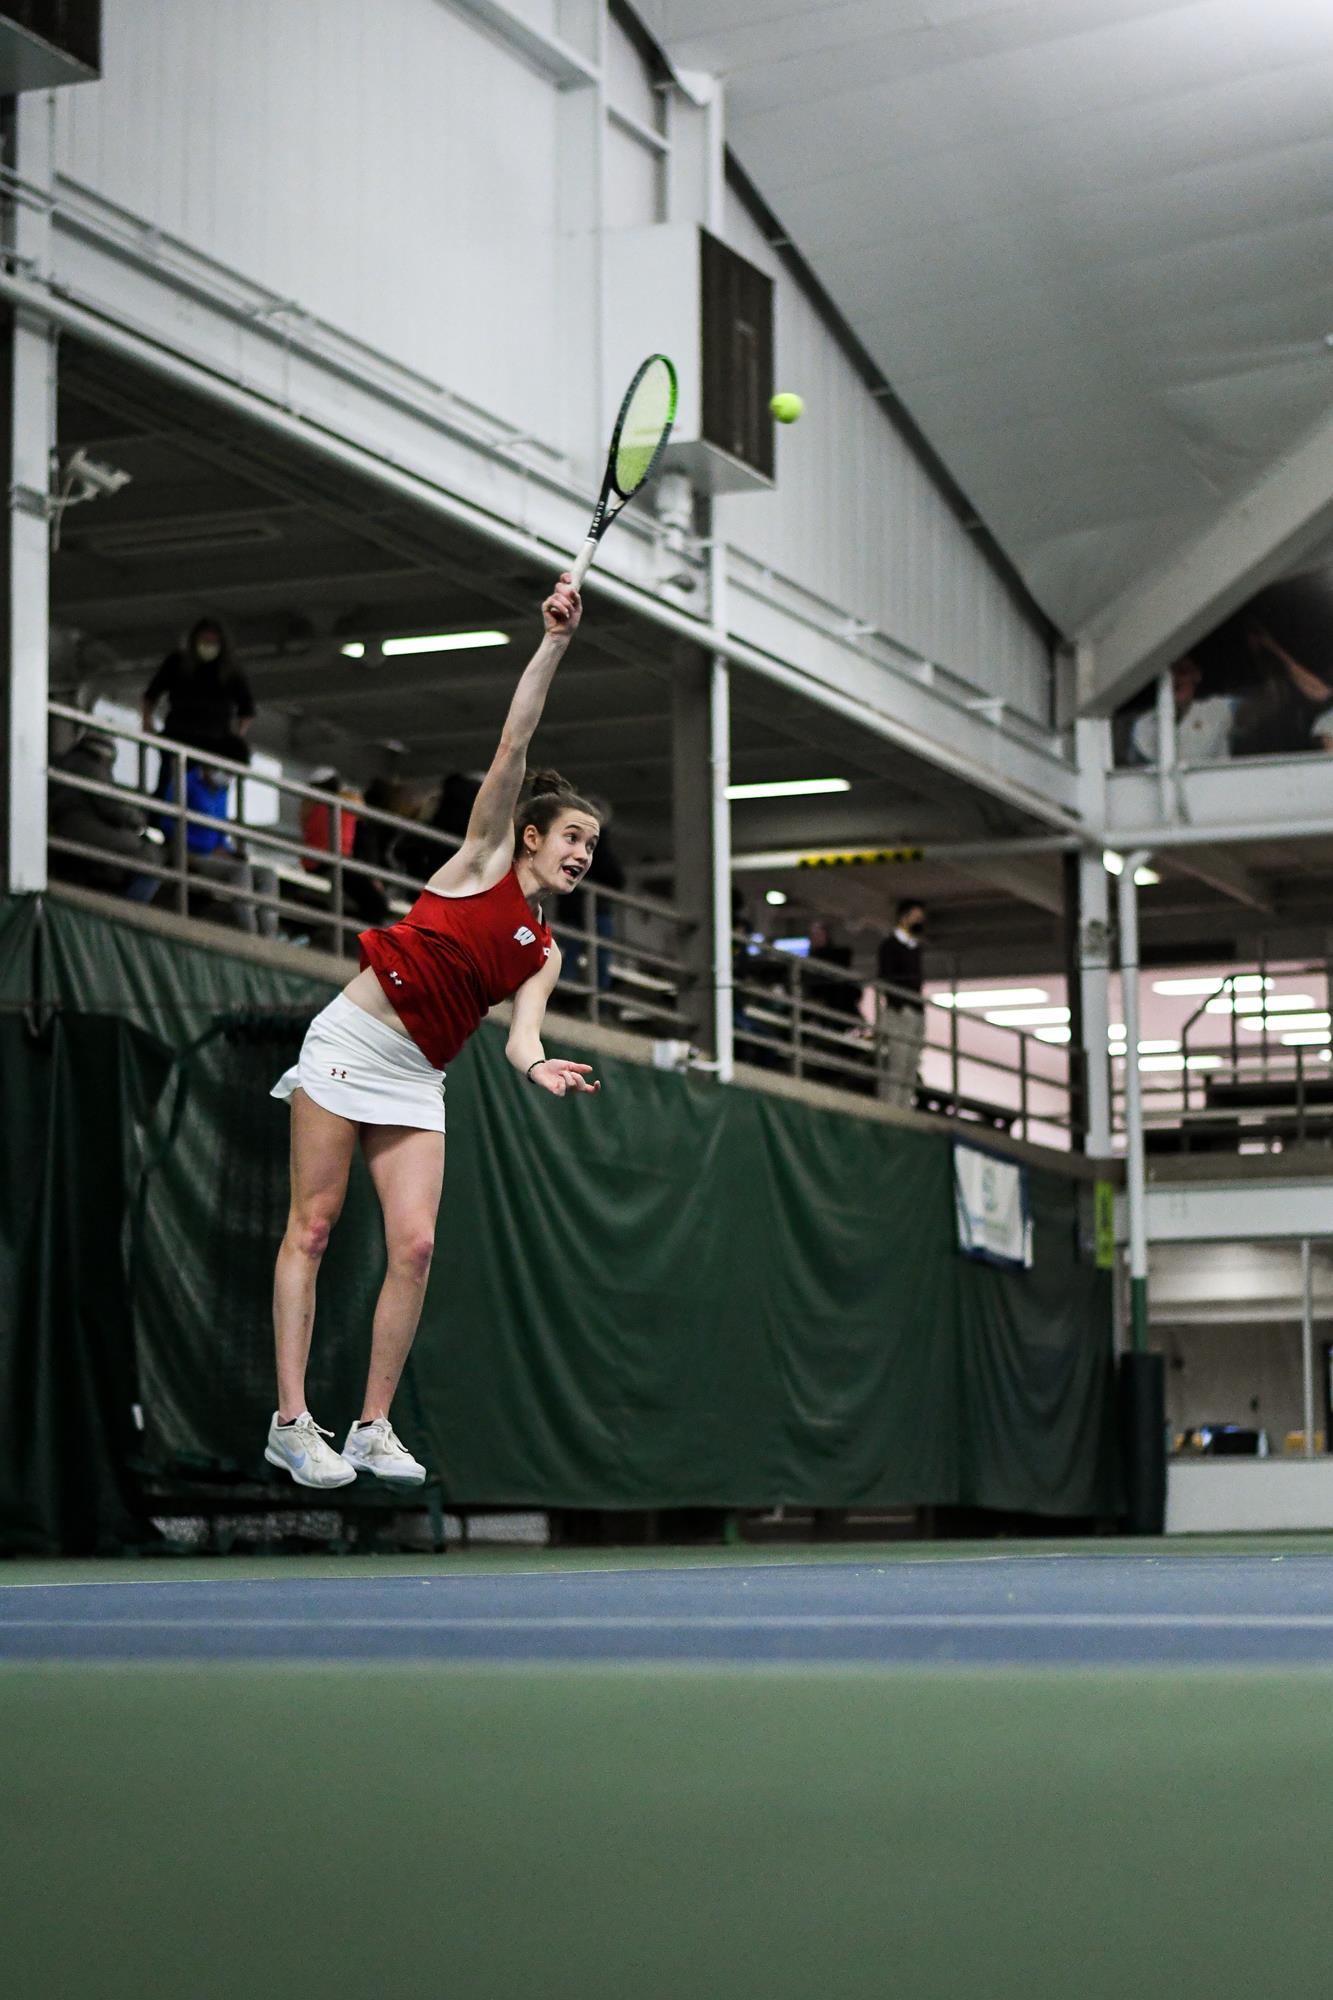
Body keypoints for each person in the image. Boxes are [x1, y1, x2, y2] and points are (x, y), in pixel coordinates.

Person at [264, 573, 598, 1490]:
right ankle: (292, 1421)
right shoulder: (482, 859)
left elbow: (519, 1039)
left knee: (414, 1246)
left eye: (591, 846)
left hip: (416, 1078)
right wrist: (554, 643)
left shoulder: (544, 954)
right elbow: (515, 736)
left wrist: (541, 1072)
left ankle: (373, 1425)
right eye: (570, 835)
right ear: (529, 837)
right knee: (316, 1228)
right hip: (348, 1046)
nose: (580, 853)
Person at [160, 756, 279, 938]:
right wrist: (203, 848)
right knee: (241, 872)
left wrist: (230, 851)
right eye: (227, 772)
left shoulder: (221, 791)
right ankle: (250, 934)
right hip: (192, 853)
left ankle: (268, 936)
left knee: (267, 874)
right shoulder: (185, 783)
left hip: (215, 855)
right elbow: (169, 826)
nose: (228, 778)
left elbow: (220, 835)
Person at [48, 726, 160, 903]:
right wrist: (138, 819)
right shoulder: (93, 768)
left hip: (66, 829)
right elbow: (112, 808)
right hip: (82, 832)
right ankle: (131, 909)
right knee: (150, 858)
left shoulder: (66, 762)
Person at [141, 616, 255, 762]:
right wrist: (147, 722)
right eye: (204, 641)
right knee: (172, 777)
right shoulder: (177, 662)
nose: (208, 645)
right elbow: (151, 695)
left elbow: (247, 709)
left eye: (213, 642)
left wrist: (238, 737)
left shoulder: (230, 671)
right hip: (178, 733)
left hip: (214, 740)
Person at [1127, 654, 1237, 765]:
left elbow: (1246, 710)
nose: (1176, 681)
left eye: (1182, 672)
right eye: (1169, 676)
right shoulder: (1143, 725)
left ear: (1196, 675)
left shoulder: (1218, 709)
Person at [877, 898, 927, 1109]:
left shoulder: (914, 946)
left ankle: (905, 1106)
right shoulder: (890, 945)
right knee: (898, 1060)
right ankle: (891, 1106)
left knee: (911, 1062)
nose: (920, 921)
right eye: (916, 917)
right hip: (900, 1010)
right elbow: (886, 977)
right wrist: (899, 1004)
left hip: (915, 1009)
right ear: (904, 917)